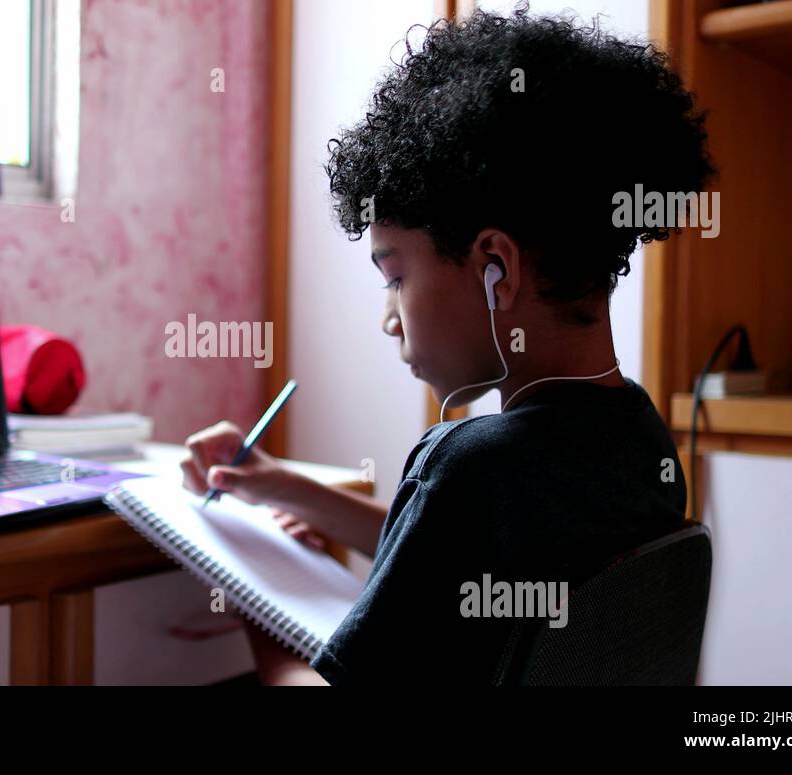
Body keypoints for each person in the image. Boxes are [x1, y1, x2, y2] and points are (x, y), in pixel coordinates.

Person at [180, 8, 714, 685]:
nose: (389, 319)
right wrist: (289, 489)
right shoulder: (639, 440)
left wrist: (257, 611)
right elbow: (466, 557)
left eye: (397, 276)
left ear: (498, 265)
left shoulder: (468, 466)